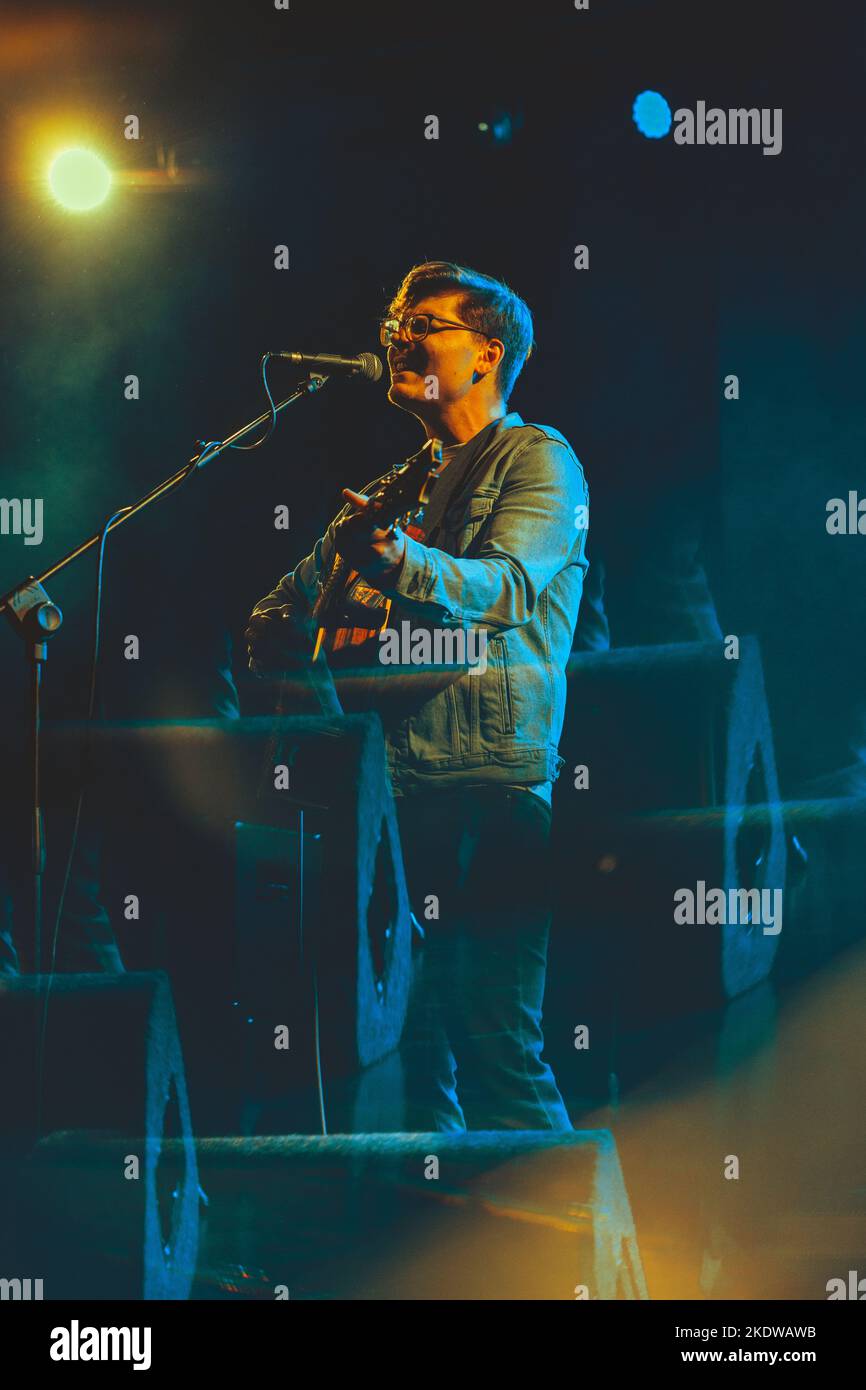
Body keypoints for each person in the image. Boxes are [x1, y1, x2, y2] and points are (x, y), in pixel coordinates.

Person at [246, 261, 589, 1131]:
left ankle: (564, 1252)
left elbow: (508, 586)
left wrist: (394, 566)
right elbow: (274, 618)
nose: (398, 334)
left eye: (424, 322)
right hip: (385, 812)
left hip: (490, 799)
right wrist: (321, 670)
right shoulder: (395, 488)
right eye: (396, 318)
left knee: (497, 1045)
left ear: (486, 353)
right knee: (410, 1063)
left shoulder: (540, 459)